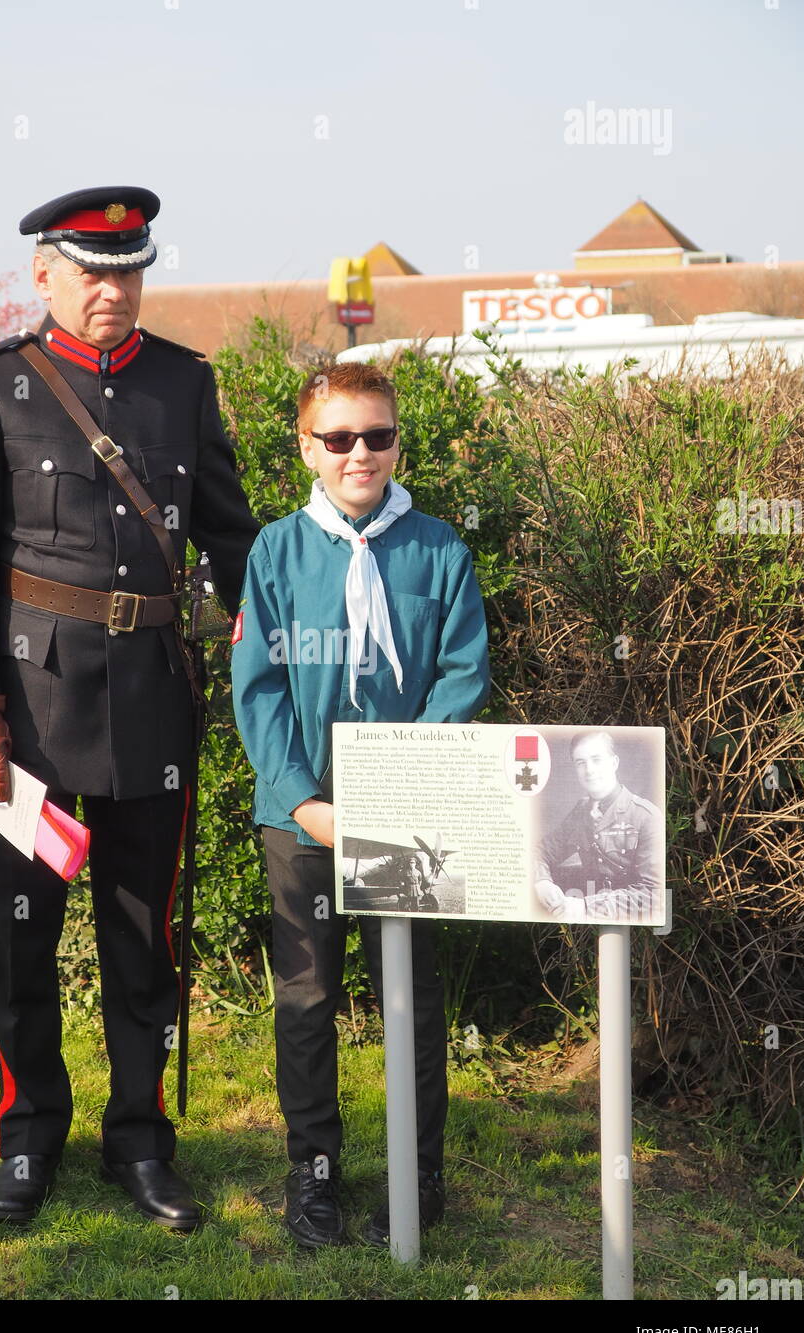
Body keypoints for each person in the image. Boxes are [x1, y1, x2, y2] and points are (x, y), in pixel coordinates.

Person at [0, 185, 259, 1230]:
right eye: (91, 271)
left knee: (141, 943)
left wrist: (265, 625)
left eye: (128, 270)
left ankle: (141, 1141)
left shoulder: (183, 386)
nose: (112, 290)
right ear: (44, 274)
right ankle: (28, 1137)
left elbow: (234, 536)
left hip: (153, 710)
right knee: (20, 946)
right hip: (26, 718)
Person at [231, 361, 490, 1248]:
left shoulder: (439, 549)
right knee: (305, 1001)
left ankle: (418, 1178)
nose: (359, 454)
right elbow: (257, 689)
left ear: (395, 442)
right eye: (337, 438)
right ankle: (313, 1180)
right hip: (300, 816)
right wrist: (305, 803)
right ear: (306, 446)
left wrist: (402, 788)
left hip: (405, 815)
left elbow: (462, 674)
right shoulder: (275, 551)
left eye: (376, 435)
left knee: (409, 1000)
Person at [535, 729, 664, 922]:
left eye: (596, 760)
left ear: (614, 763)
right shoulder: (581, 811)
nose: (589, 770)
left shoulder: (645, 816)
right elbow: (541, 851)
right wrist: (542, 881)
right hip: (591, 923)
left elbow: (654, 895)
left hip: (633, 925)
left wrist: (585, 907)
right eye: (581, 763)